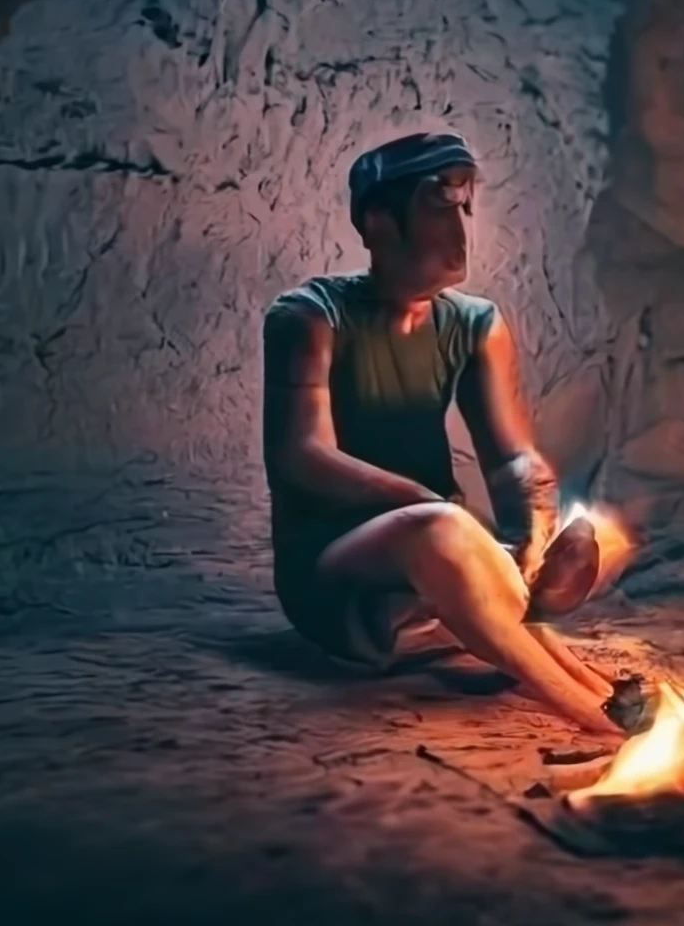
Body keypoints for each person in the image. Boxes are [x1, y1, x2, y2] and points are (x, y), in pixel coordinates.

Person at [262, 131, 623, 734]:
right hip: (338, 584)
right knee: (444, 529)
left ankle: (601, 686)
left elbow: (513, 460)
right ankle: (589, 710)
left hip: (443, 570)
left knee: (583, 535)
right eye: (437, 209)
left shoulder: (476, 322)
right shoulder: (309, 316)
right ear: (379, 223)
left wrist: (529, 530)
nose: (459, 232)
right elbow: (302, 456)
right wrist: (426, 504)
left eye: (464, 209)